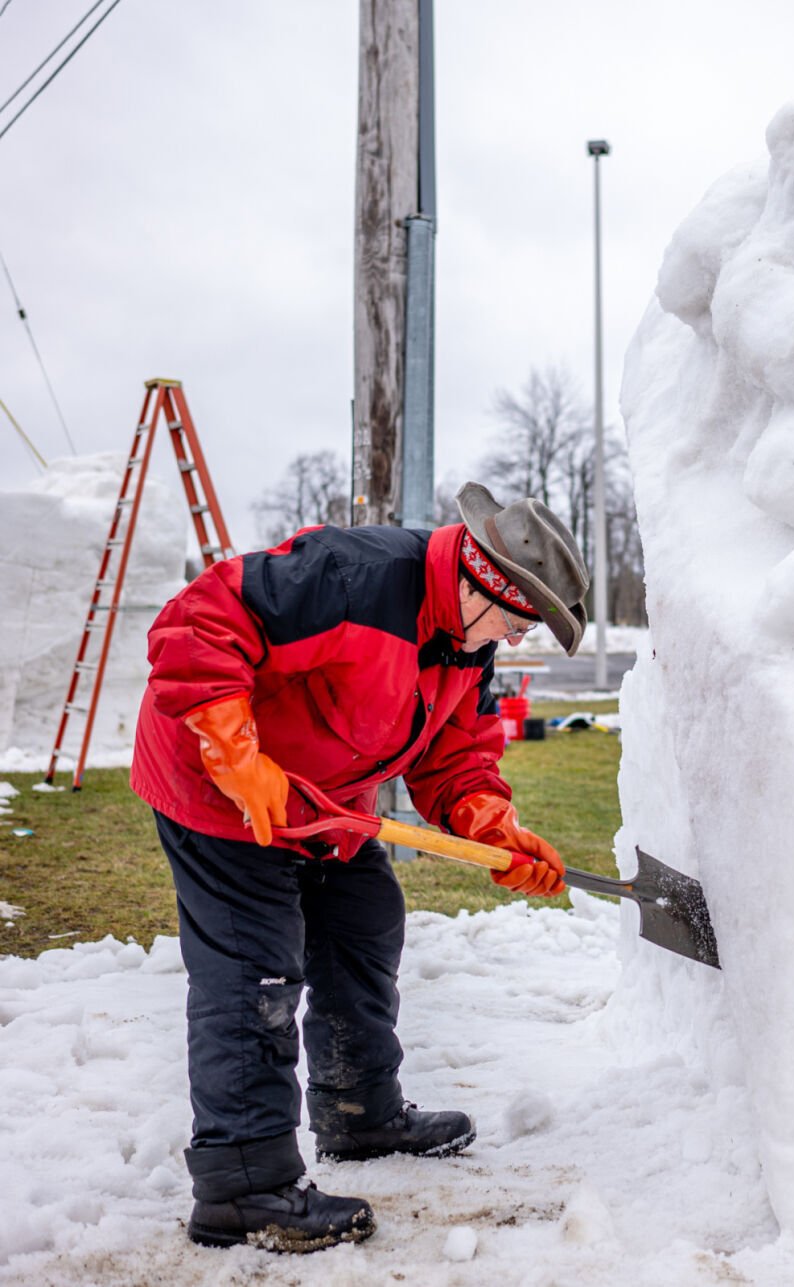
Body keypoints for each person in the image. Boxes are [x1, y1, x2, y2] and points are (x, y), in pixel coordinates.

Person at [129, 482, 589, 1252]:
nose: (513, 639)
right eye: (517, 619)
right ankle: (244, 1186)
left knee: (363, 919)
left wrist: (491, 821)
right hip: (219, 788)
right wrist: (232, 749)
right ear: (483, 581)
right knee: (256, 969)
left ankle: (358, 1112)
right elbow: (201, 617)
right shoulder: (357, 575)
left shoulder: (464, 642)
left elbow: (458, 757)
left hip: (323, 804)